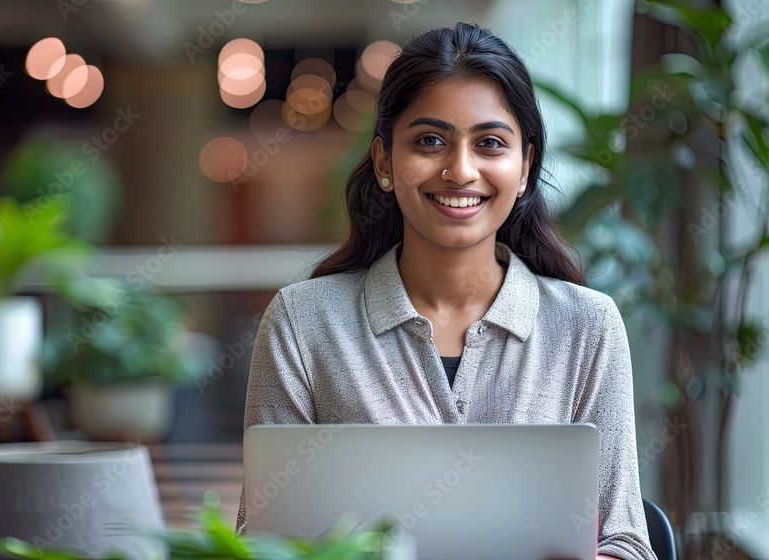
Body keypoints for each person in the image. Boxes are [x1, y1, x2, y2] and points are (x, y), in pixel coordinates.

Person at [237, 22, 656, 560]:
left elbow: (626, 542)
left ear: (525, 165)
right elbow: (260, 541)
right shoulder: (303, 323)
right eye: (430, 141)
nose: (460, 170)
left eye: (490, 143)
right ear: (386, 162)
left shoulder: (588, 327)